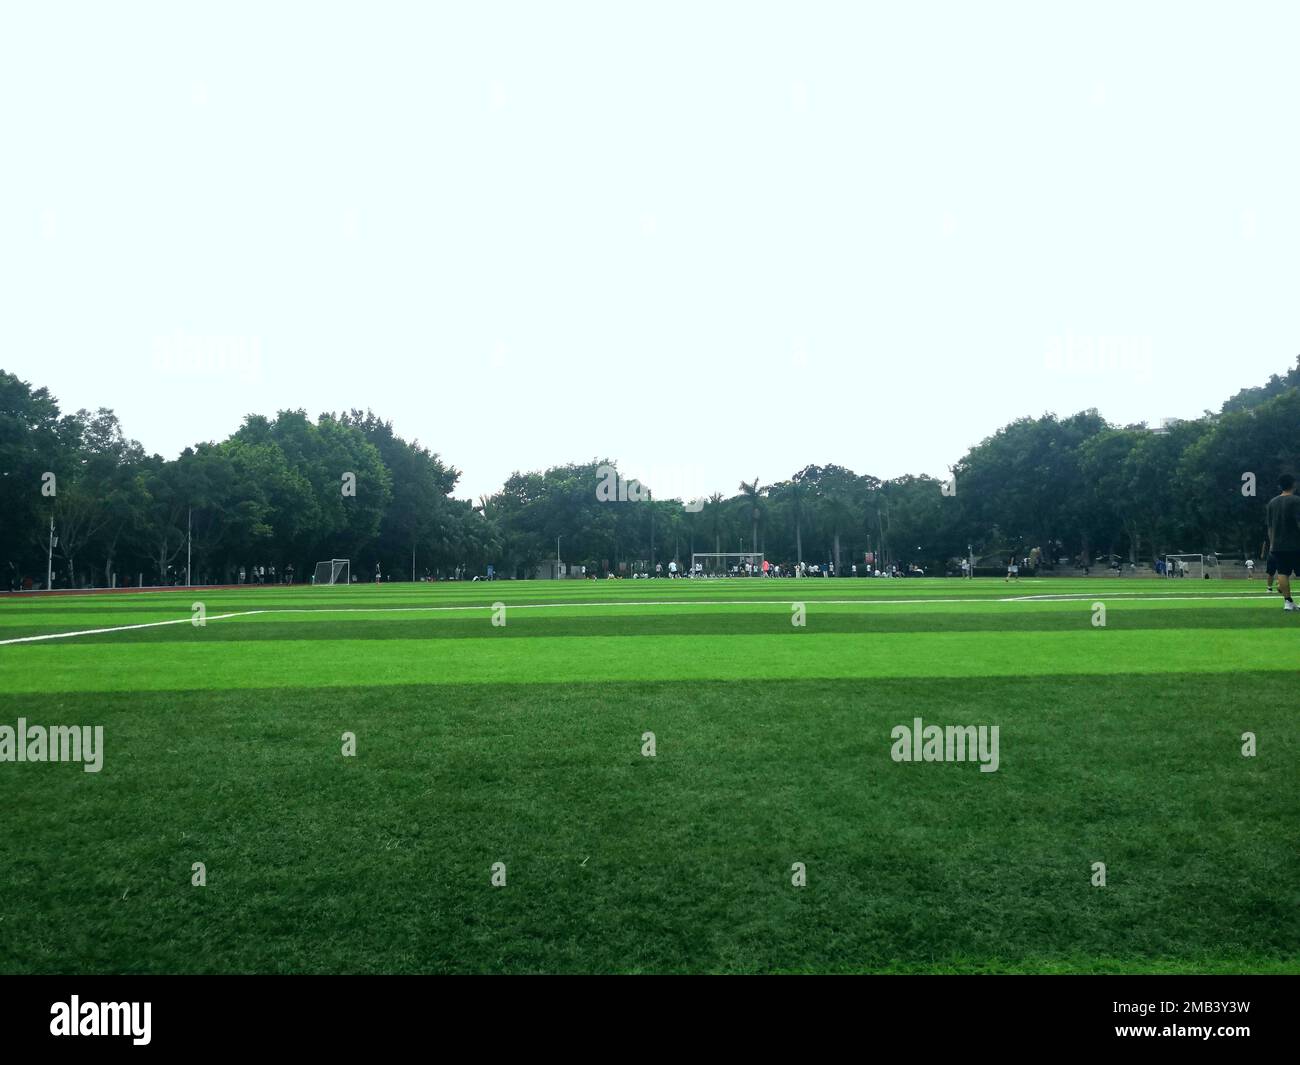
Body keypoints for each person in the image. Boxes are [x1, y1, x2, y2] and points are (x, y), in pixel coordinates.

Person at [1264, 473, 1300, 611]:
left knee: (1283, 573)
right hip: (1296, 544)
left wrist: (1272, 544)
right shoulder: (1296, 501)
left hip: (1278, 545)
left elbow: (1270, 527)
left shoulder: (1272, 503)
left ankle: (1288, 602)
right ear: (1293, 484)